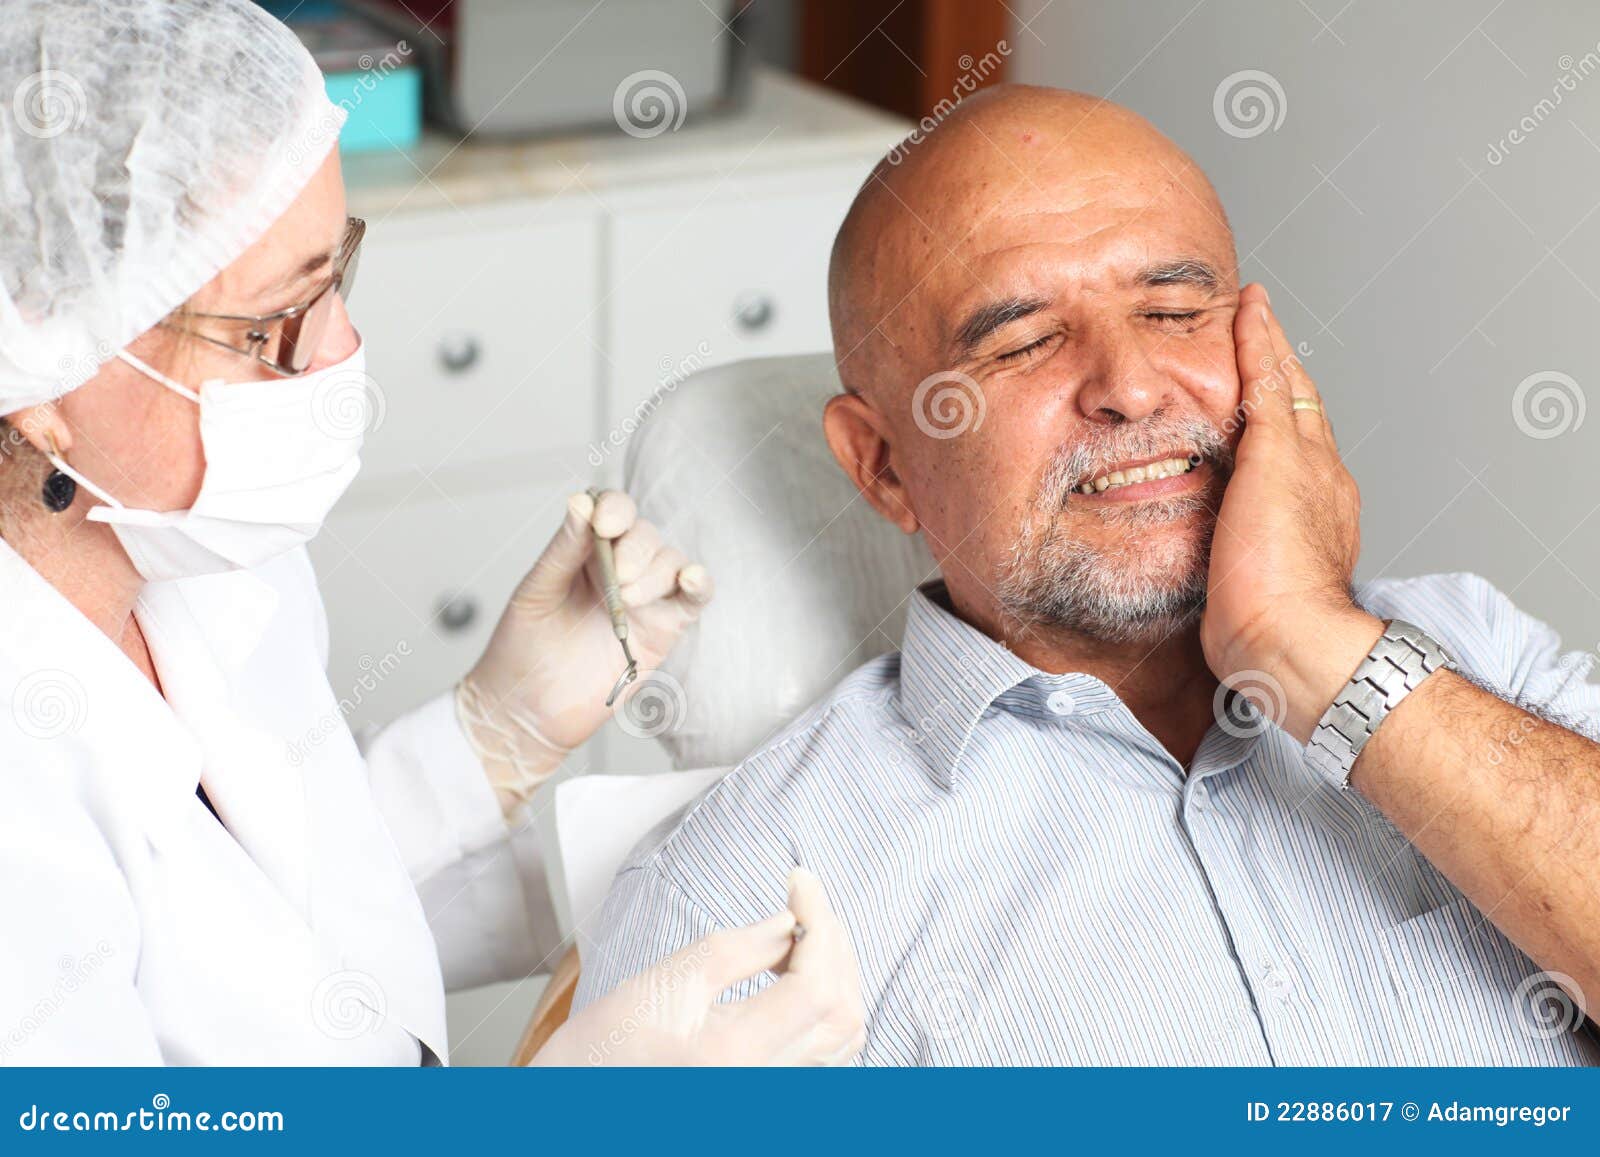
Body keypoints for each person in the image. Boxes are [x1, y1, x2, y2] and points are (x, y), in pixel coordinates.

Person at [574, 85, 1600, 1065]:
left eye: (1172, 310)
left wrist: (1313, 645)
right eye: (1023, 341)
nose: (1131, 384)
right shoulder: (737, 893)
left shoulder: (1476, 654)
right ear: (884, 464)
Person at [0, 0, 864, 1066]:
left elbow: (281, 928)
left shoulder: (198, 561)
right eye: (274, 324)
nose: (343, 349)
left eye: (338, 277)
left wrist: (496, 732)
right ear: (43, 370)